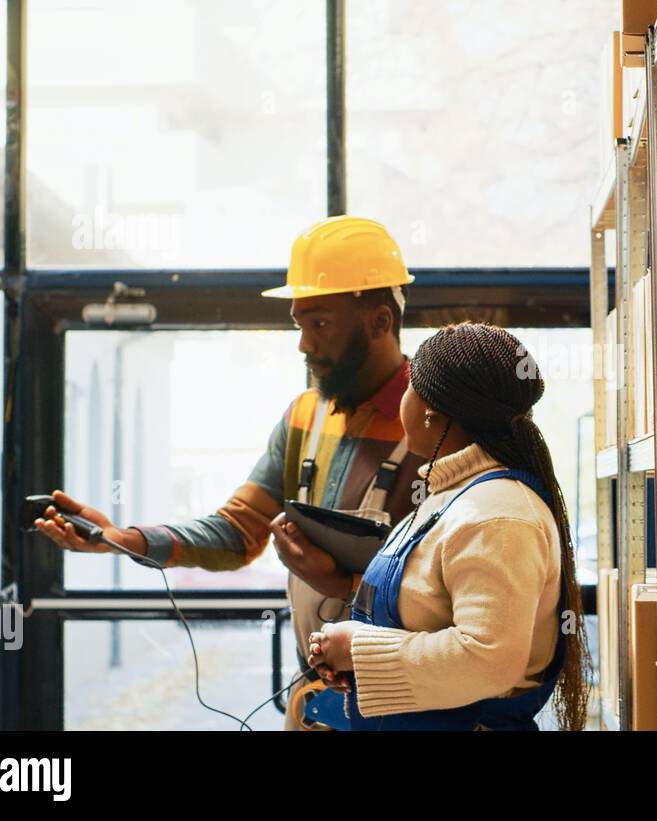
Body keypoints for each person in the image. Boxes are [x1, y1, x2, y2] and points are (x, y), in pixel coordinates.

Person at [32, 215, 424, 730]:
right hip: (319, 706)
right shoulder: (304, 416)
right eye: (299, 324)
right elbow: (238, 532)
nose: (304, 345)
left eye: (321, 323)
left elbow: (447, 596)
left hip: (411, 707)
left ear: (379, 321)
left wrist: (341, 583)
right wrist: (118, 538)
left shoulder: (435, 423)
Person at [302, 321, 591, 731]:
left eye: (408, 387)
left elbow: (488, 660)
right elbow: (428, 621)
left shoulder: (498, 513)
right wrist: (357, 665)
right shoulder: (450, 497)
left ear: (429, 411)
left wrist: (359, 649)